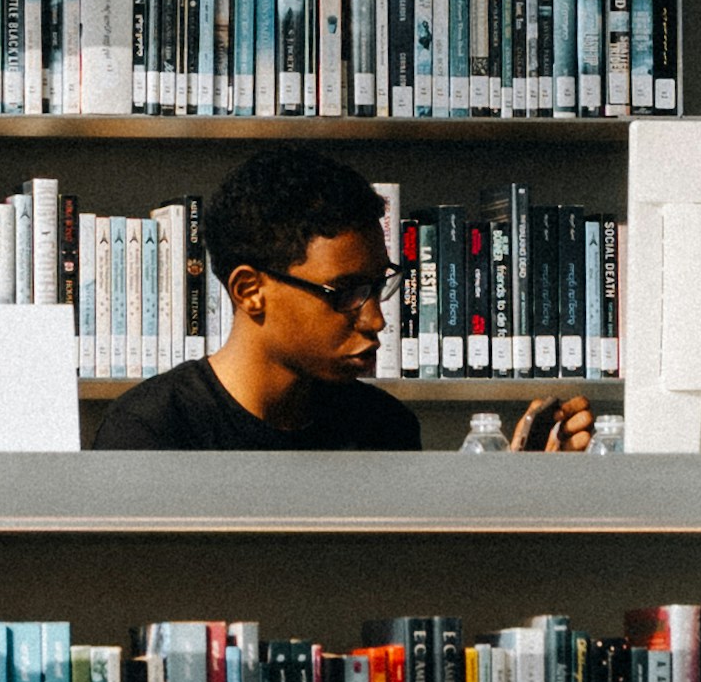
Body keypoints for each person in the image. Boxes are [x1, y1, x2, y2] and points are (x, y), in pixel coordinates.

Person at [89, 140, 593, 451]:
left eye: (377, 286)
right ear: (250, 291)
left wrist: (531, 493)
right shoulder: (151, 432)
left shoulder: (383, 428)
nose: (375, 320)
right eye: (347, 292)